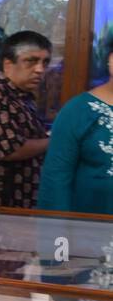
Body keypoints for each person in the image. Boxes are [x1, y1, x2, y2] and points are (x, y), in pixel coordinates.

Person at [37, 42, 113, 214]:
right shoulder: (78, 110)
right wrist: (58, 238)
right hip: (91, 230)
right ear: (110, 59)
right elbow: (55, 180)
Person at [0, 31, 52, 208]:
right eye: (31, 61)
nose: (40, 69)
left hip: (25, 202)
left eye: (45, 62)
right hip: (4, 204)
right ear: (8, 64)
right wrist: (54, 140)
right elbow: (10, 149)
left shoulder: (23, 98)